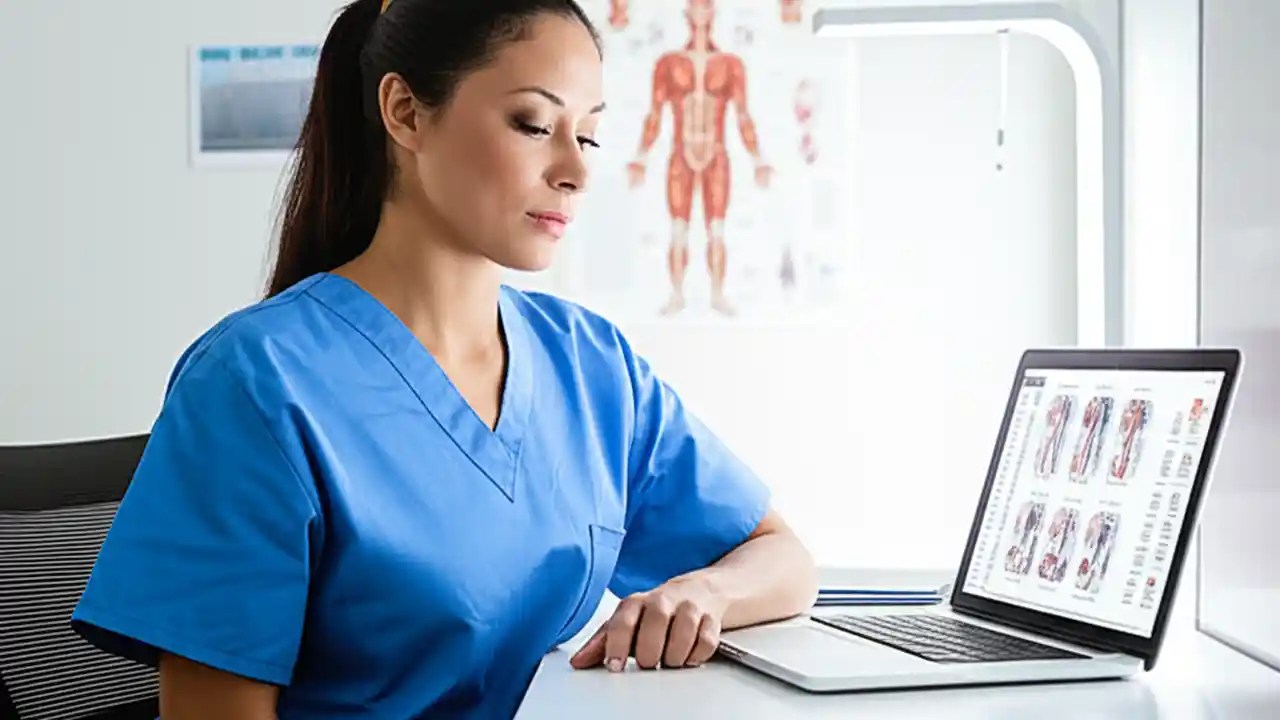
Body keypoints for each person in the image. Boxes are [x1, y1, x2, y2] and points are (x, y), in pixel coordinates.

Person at [69, 0, 818, 718]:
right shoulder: (255, 383)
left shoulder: (590, 366)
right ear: (405, 113)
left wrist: (705, 596)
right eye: (533, 124)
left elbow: (780, 558)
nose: (576, 170)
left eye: (586, 137)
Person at [627, 0, 772, 317]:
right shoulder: (668, 63)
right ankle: (676, 294)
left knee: (716, 229)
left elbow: (743, 116)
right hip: (681, 154)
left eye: (706, 7)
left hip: (716, 155)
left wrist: (759, 159)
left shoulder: (731, 64)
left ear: (713, 13)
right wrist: (640, 157)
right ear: (687, 13)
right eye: (696, 6)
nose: (701, 13)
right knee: (678, 229)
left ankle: (718, 294)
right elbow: (655, 115)